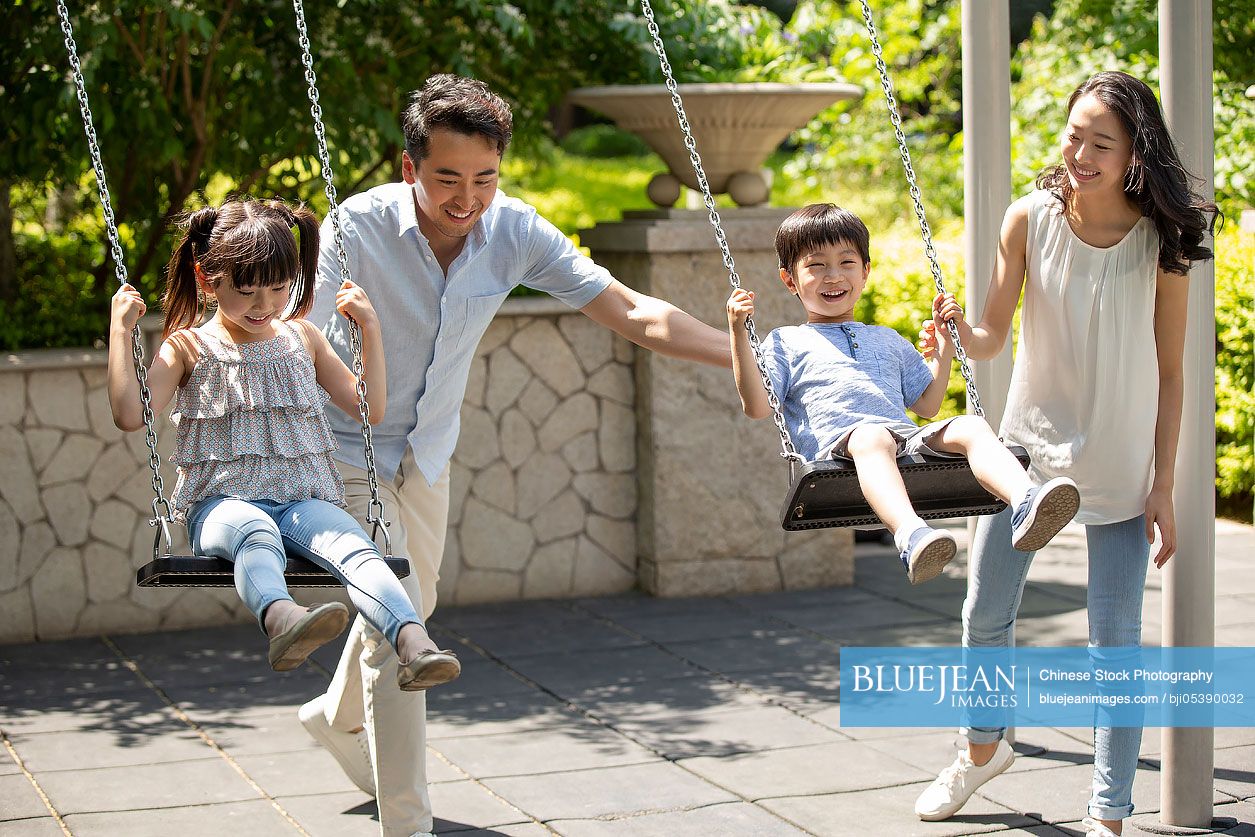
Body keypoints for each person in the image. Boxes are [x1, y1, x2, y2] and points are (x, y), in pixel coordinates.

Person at [295, 75, 733, 836]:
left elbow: (630, 310)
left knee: (407, 606)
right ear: (409, 169)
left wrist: (743, 355)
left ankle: (335, 721)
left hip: (427, 454)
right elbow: (294, 330)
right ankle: (407, 822)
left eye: (485, 178)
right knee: (400, 622)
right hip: (341, 448)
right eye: (447, 179)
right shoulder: (355, 226)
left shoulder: (516, 231)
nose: (467, 198)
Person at [911, 71, 1218, 837]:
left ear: (1133, 155)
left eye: (1099, 142)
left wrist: (1163, 486)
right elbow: (990, 335)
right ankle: (981, 749)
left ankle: (1107, 815)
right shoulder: (1027, 218)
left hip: (1117, 458)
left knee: (1114, 646)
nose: (1078, 152)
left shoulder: (1162, 242)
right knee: (984, 611)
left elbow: (1173, 370)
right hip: (1024, 456)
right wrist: (954, 331)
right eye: (1072, 133)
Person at [107, 198, 461, 691]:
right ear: (209, 281)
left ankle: (414, 643)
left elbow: (369, 409)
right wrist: (119, 330)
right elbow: (130, 414)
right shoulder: (187, 347)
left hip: (301, 501)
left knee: (358, 549)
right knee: (254, 531)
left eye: (278, 289)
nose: (265, 305)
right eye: (248, 290)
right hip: (221, 506)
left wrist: (371, 329)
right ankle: (282, 620)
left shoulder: (303, 338)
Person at [726, 203, 1079, 585]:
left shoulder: (886, 339)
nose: (833, 276)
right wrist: (738, 333)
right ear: (789, 279)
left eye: (846, 262)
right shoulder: (786, 342)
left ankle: (1026, 502)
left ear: (865, 271)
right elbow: (758, 407)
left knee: (972, 427)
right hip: (839, 457)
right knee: (872, 436)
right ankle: (912, 535)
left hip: (903, 442)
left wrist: (944, 347)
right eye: (816, 265)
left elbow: (926, 404)